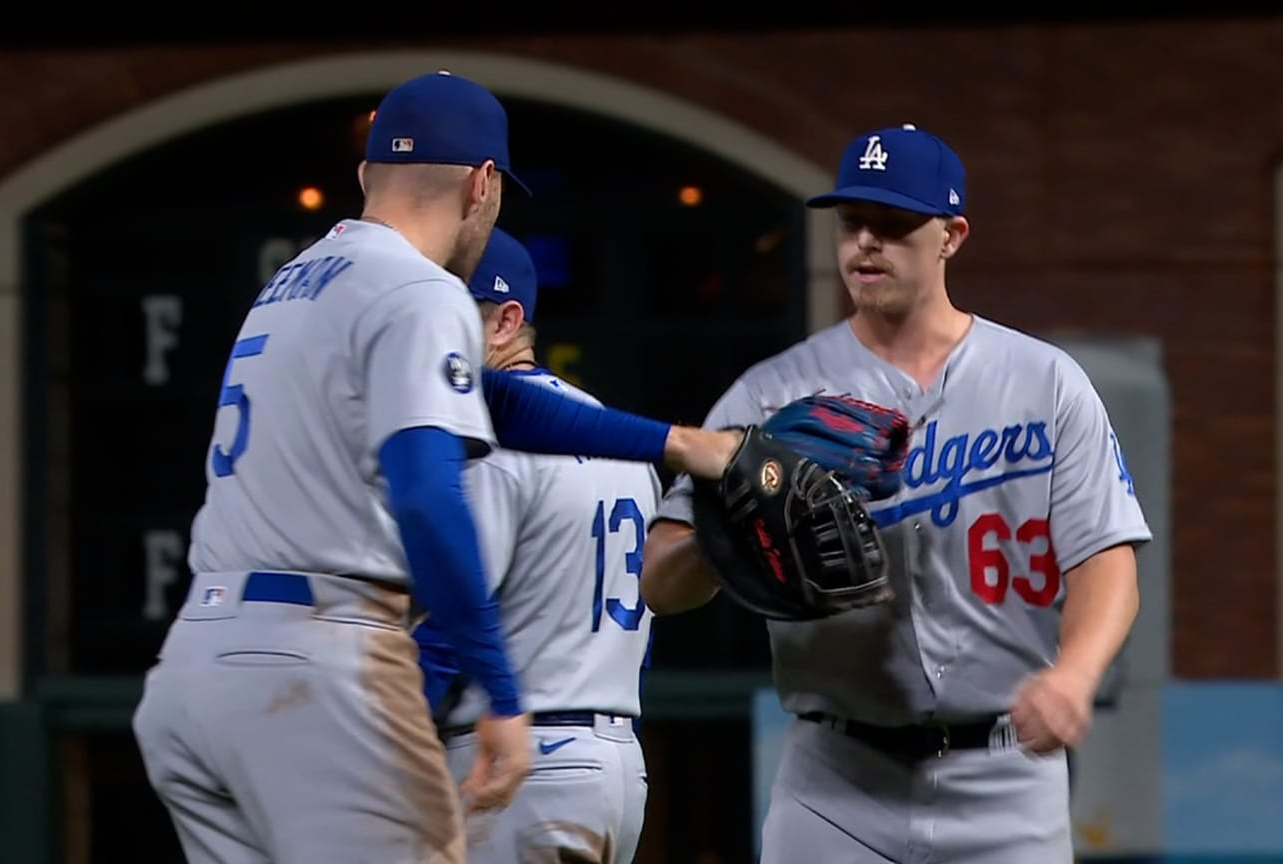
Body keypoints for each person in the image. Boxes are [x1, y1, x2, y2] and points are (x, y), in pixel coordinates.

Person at [130, 70, 741, 864]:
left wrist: (680, 444)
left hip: (196, 670)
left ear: (364, 175)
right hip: (319, 660)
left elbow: (494, 402)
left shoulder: (295, 284)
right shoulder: (423, 289)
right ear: (484, 183)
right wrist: (501, 691)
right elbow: (427, 497)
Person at [639, 123, 1152, 863]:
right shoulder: (772, 395)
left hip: (1007, 777)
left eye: (894, 224)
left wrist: (1074, 675)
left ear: (952, 235)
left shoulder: (1043, 381)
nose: (866, 244)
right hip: (835, 780)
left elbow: (1107, 558)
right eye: (853, 224)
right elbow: (661, 582)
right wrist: (733, 519)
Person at [415, 227, 658, 864]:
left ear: (505, 324)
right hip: (616, 765)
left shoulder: (488, 441)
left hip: (515, 767)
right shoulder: (621, 439)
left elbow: (452, 613)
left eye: (447, 311)